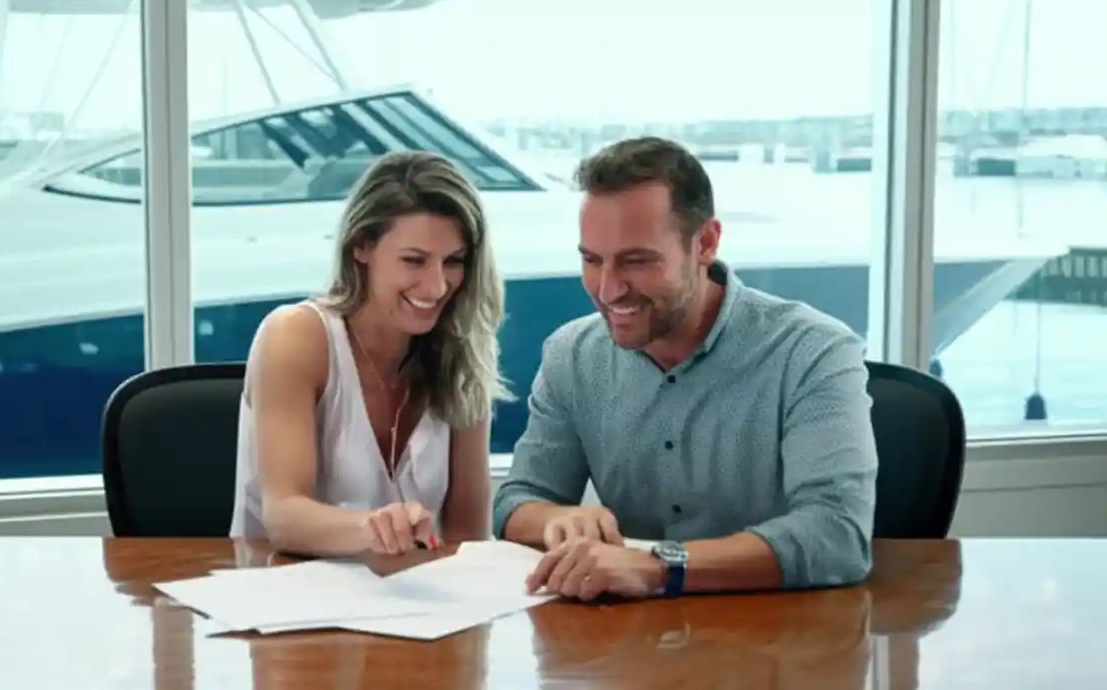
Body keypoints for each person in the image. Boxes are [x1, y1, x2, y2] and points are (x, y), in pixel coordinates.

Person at [492, 136, 878, 600]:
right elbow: (515, 503)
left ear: (706, 243)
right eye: (592, 261)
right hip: (631, 648)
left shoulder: (813, 352)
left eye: (637, 261)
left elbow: (837, 536)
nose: (609, 289)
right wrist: (554, 519)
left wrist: (659, 569)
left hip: (782, 643)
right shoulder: (571, 355)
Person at [229, 150, 510, 556]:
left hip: (416, 606)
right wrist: (373, 529)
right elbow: (284, 516)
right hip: (287, 598)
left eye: (454, 262)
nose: (436, 287)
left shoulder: (465, 354)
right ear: (361, 246)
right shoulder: (295, 335)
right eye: (414, 261)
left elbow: (468, 535)